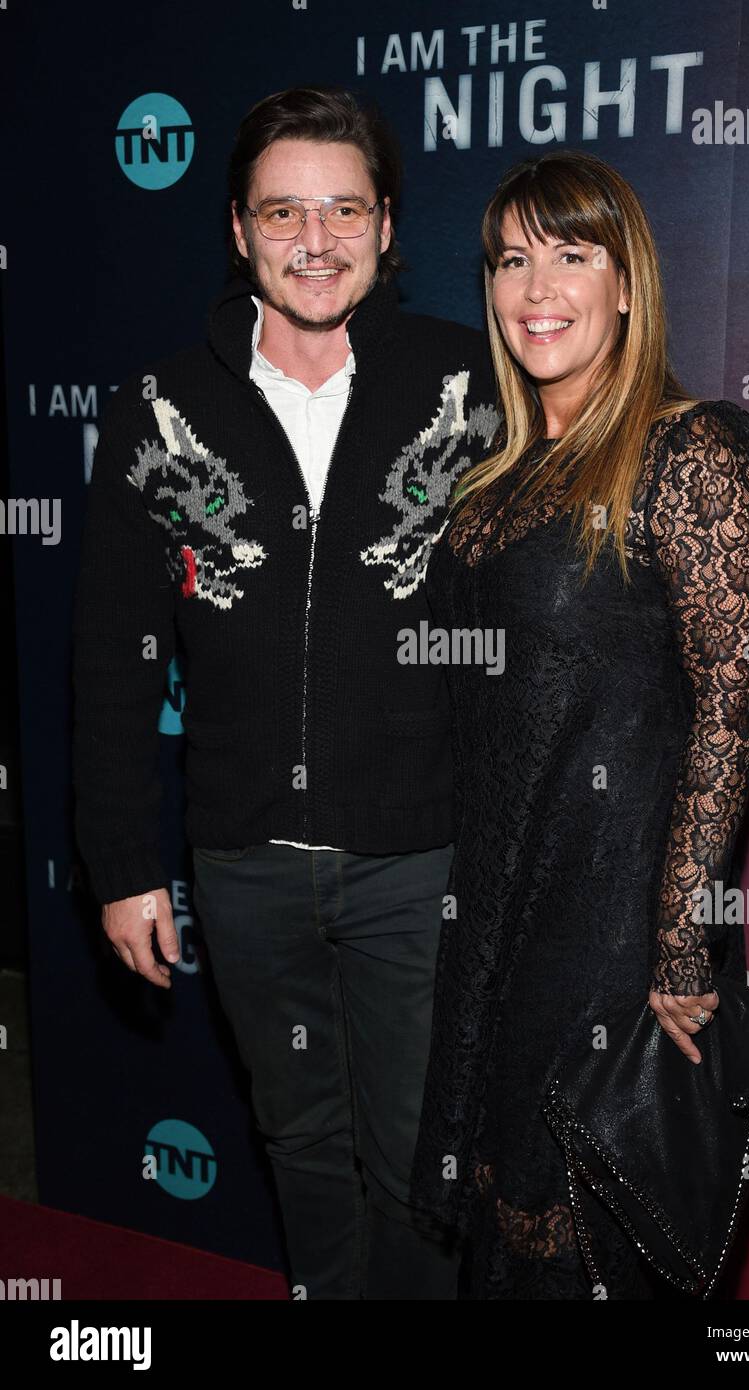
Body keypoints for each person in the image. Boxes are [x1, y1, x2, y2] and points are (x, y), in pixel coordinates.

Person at [71, 86, 500, 1300]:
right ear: (238, 230)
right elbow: (111, 659)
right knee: (300, 1145)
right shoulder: (160, 408)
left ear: (385, 223)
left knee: (422, 1159)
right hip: (245, 862)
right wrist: (119, 863)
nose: (316, 240)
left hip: (418, 856)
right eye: (283, 212)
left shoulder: (468, 391)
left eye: (344, 208)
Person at [409, 149, 749, 1300]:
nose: (537, 287)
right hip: (500, 915)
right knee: (494, 1227)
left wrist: (679, 938)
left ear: (627, 282)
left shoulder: (690, 453)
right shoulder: (495, 480)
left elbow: (732, 698)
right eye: (513, 259)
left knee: (581, 1240)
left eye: (572, 255)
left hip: (616, 927)